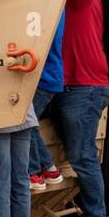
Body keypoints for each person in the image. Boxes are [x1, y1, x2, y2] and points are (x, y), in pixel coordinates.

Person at [53, 0, 109, 217]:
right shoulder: (64, 3)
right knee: (75, 155)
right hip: (69, 86)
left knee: (83, 156)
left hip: (85, 86)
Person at [28, 12, 66, 192]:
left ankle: (36, 171)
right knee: (29, 122)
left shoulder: (49, 10)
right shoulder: (56, 8)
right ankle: (49, 169)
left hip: (45, 79)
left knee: (25, 122)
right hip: (50, 78)